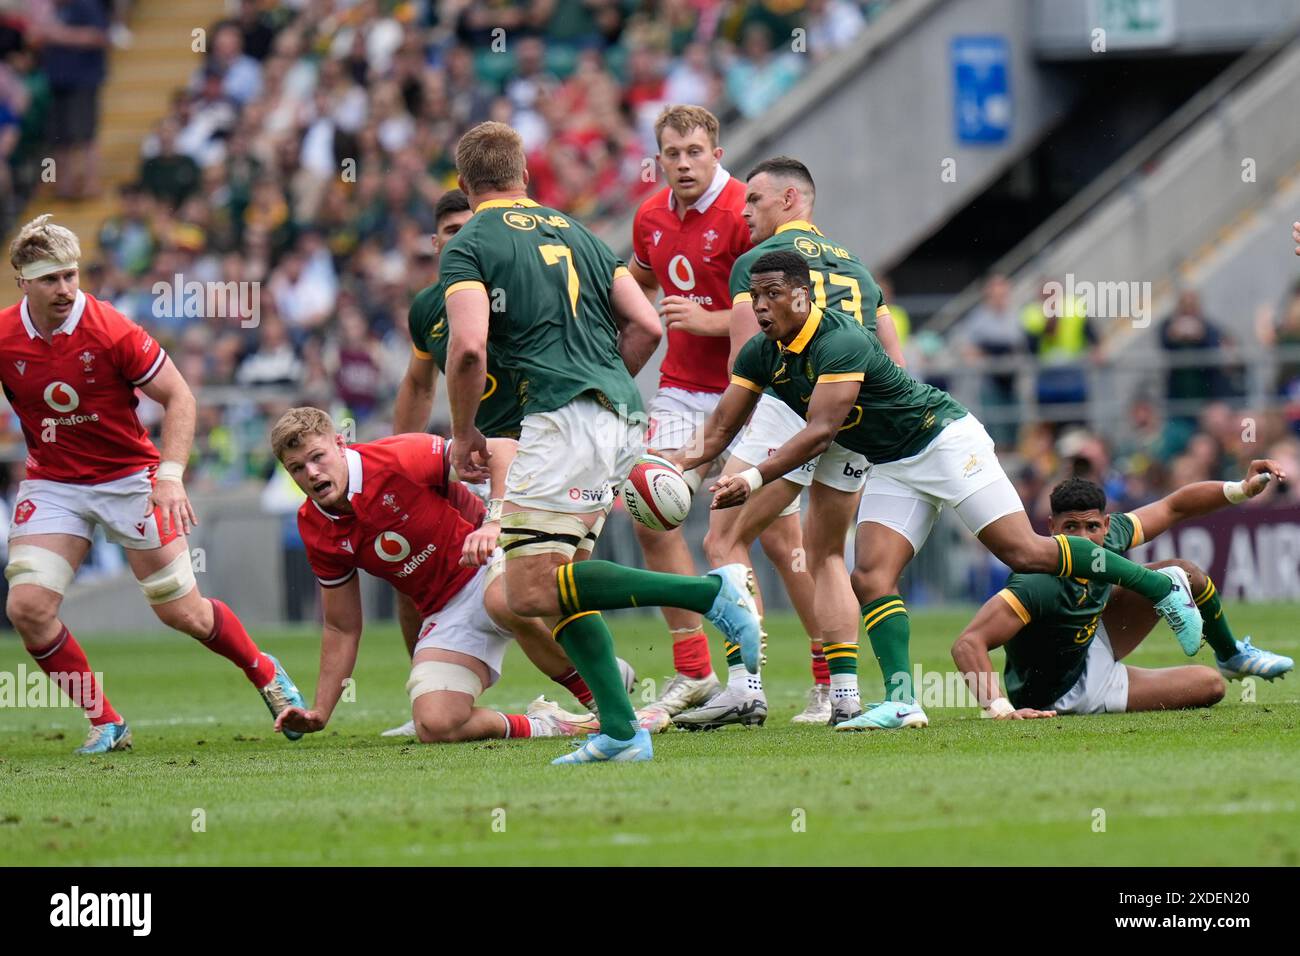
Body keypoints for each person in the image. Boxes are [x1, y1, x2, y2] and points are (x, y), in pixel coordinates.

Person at [674, 250, 1206, 732]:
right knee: (871, 574)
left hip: (944, 440)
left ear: (802, 294)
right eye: (754, 295)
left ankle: (1159, 588)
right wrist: (674, 466)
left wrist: (751, 476)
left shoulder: (838, 339)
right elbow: (720, 428)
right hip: (893, 463)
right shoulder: (761, 354)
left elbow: (820, 433)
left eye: (772, 294)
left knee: (1022, 551)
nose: (761, 307)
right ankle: (903, 701)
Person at [441, 120, 763, 764]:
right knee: (560, 582)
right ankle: (620, 729)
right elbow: (646, 323)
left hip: (559, 423)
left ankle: (707, 595)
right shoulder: (578, 232)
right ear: (523, 175)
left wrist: (463, 430)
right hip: (617, 410)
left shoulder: (470, 241)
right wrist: (603, 385)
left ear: (465, 184)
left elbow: (469, 348)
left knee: (527, 592)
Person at [1, 215, 305, 755]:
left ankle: (265, 671)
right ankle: (107, 723)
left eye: (72, 276)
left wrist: (169, 476)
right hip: (54, 482)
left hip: (129, 479)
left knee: (181, 612)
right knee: (26, 607)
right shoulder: (5, 336)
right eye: (51, 279)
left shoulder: (110, 328)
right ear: (22, 281)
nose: (66, 289)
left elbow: (181, 396)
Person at [384, 189, 633, 738]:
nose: (461, 239)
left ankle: (604, 689)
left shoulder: (515, 288)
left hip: (534, 449)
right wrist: (404, 455)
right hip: (475, 454)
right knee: (419, 575)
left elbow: (482, 355)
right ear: (436, 242)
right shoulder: (430, 308)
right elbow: (417, 381)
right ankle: (436, 677)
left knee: (517, 595)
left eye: (467, 227)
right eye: (450, 232)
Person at [675, 155, 904, 730]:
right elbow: (894, 361)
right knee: (825, 553)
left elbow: (743, 362)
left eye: (754, 199)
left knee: (724, 539)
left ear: (790, 201)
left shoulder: (757, 265)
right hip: (859, 416)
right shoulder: (860, 269)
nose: (744, 210)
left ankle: (745, 687)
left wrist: (702, 454)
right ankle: (844, 697)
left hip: (788, 408)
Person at [269, 408, 599, 744]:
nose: (311, 472)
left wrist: (495, 522)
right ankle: (552, 724)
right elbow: (341, 627)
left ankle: (605, 705)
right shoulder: (313, 527)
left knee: (504, 601)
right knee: (436, 724)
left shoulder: (395, 458)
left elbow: (502, 450)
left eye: (317, 457)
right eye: (297, 468)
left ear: (340, 444)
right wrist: (321, 712)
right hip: (445, 610)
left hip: (490, 560)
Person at [952, 474, 1293, 719]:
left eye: (1092, 527)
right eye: (1071, 527)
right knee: (1209, 686)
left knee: (1186, 573)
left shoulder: (1111, 537)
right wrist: (999, 708)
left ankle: (1231, 654)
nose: (1084, 538)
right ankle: (1206, 649)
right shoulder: (1036, 582)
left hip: (1093, 638)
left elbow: (1175, 506)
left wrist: (1240, 489)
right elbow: (968, 644)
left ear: (1106, 524)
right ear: (1052, 528)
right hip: (1062, 694)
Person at [627, 104, 754, 723]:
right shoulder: (650, 216)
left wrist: (710, 320)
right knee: (651, 511)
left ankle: (814, 678)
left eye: (694, 152)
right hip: (679, 391)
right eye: (671, 154)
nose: (682, 163)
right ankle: (695, 670)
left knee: (776, 541)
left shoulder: (745, 213)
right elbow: (640, 282)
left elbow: (785, 305)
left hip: (752, 392)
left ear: (717, 153)